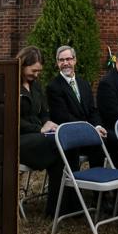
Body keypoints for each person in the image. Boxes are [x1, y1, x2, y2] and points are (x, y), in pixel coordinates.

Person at [17, 46, 72, 217]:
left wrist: (48, 122)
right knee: (55, 145)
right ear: (22, 65)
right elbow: (13, 119)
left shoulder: (36, 86)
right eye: (33, 70)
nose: (36, 75)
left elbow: (43, 112)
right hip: (19, 138)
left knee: (62, 145)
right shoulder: (11, 84)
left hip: (38, 136)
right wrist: (39, 128)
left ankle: (57, 207)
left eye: (39, 71)